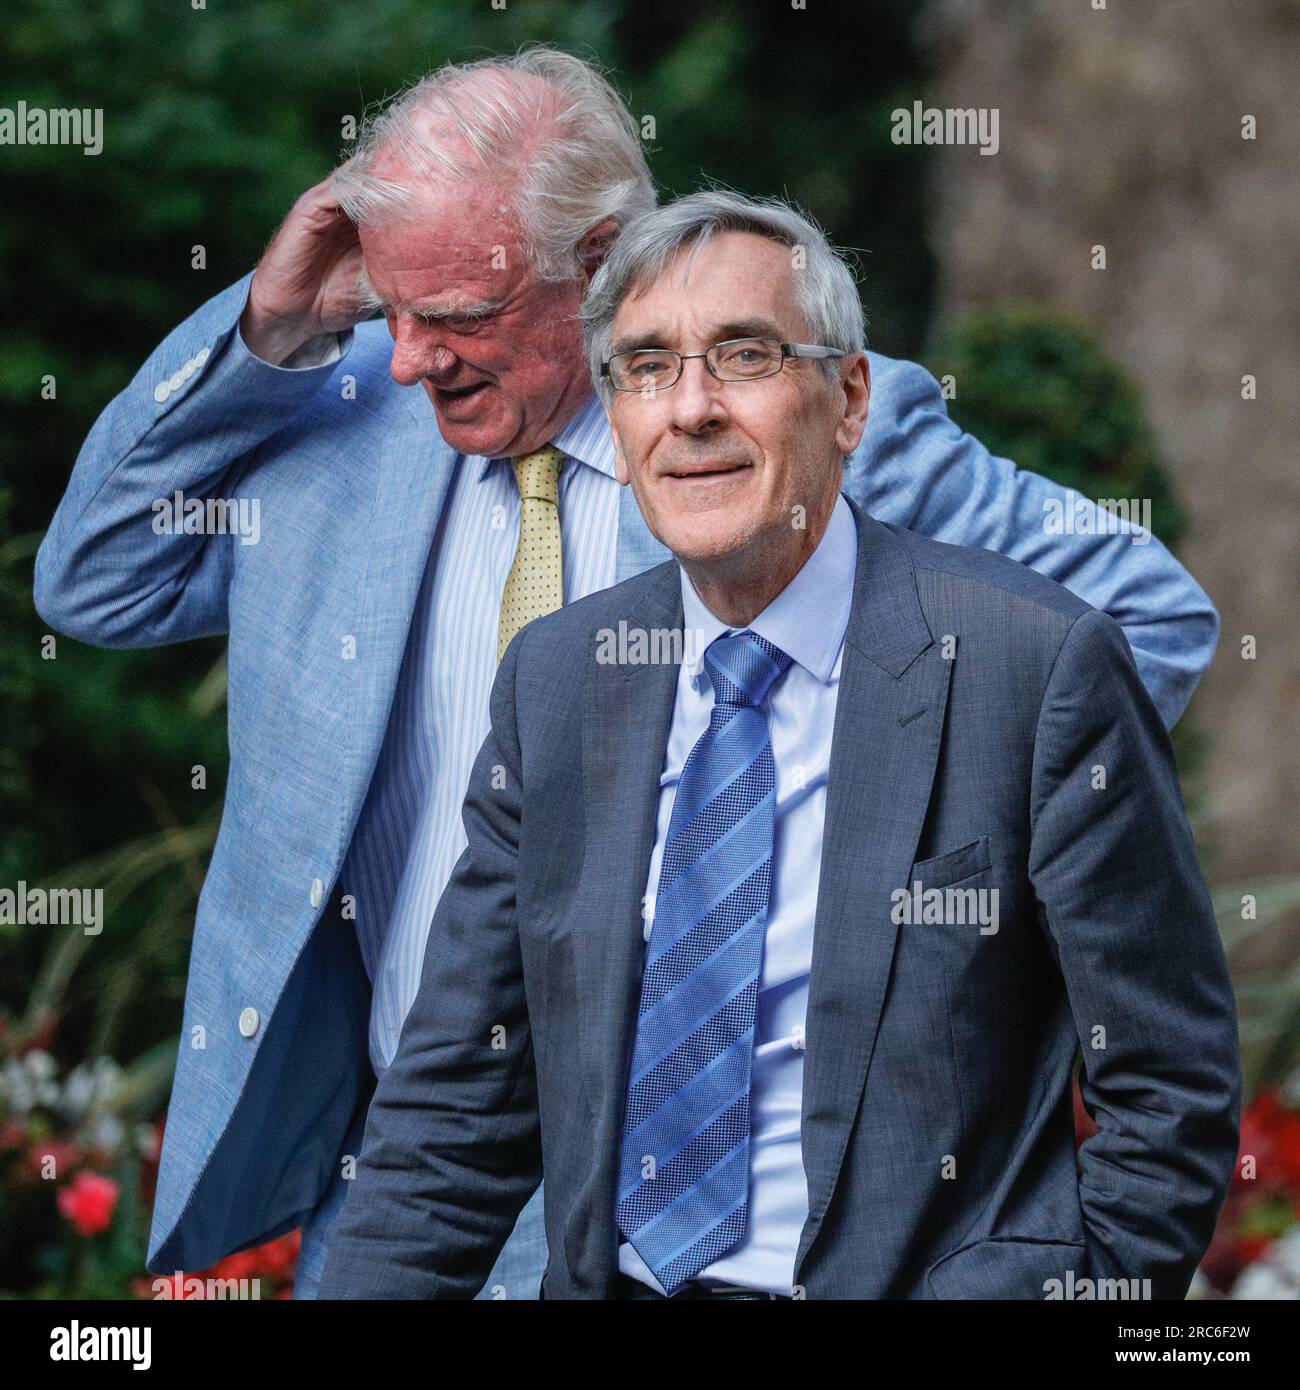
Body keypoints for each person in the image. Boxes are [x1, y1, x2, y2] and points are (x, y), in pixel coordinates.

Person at [34, 51, 1220, 1300]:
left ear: (595, 262)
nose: (413, 358)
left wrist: (928, 829)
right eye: (397, 308)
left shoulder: (794, 427)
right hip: (415, 1169)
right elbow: (96, 581)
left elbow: (1139, 618)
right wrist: (270, 326)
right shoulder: (330, 412)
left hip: (769, 1196)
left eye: (461, 315)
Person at [316, 191, 1240, 1301]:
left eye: (743, 357)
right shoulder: (561, 682)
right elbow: (459, 1102)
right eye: (646, 367)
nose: (690, 408)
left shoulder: (1031, 667)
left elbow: (1169, 1086)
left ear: (848, 399)